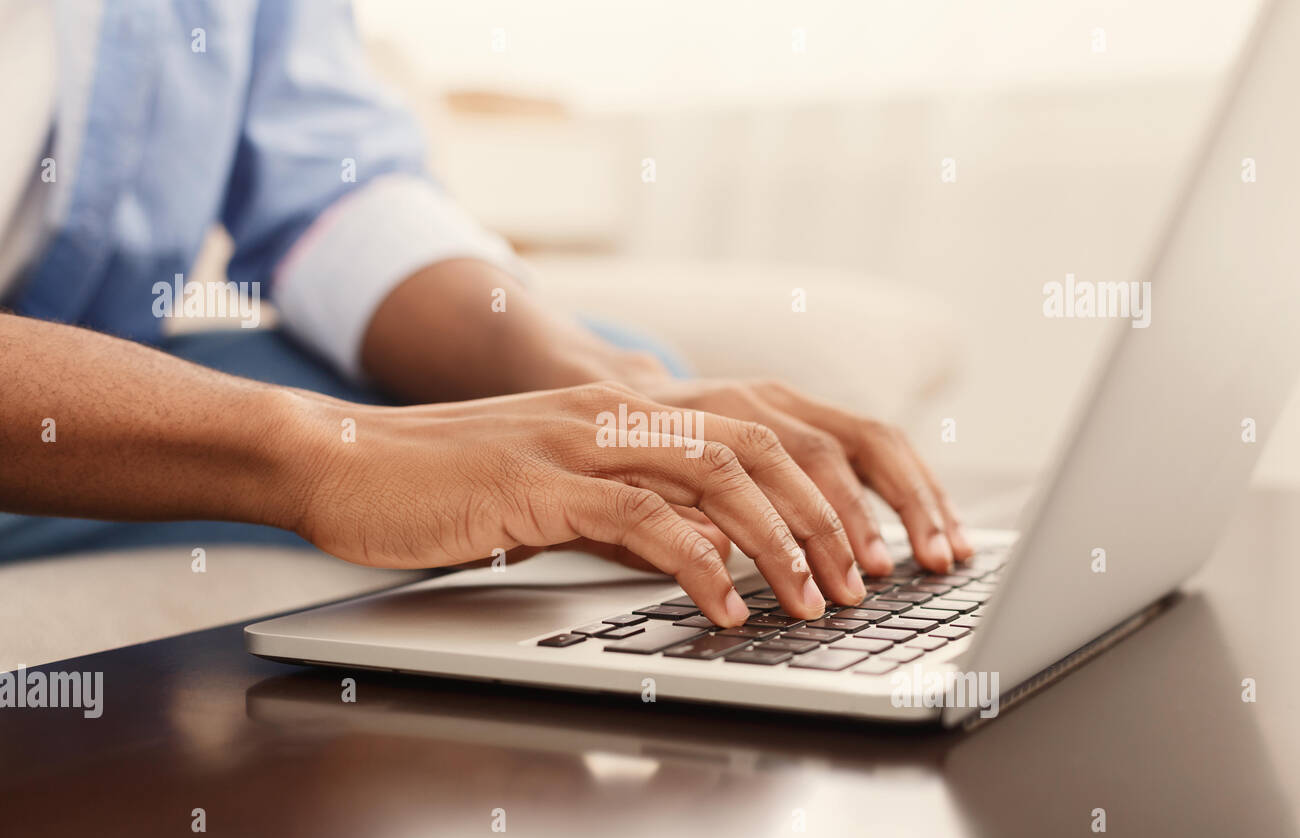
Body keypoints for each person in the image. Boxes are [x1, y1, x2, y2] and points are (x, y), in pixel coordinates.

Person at [0, 0, 971, 628]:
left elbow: (333, 196)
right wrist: (323, 454)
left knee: (631, 414)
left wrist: (614, 390)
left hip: (89, 359)